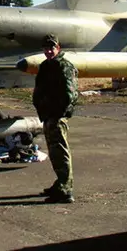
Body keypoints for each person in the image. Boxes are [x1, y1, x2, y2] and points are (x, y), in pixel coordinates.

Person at [32, 34, 78, 204]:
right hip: (48, 115)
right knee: (54, 152)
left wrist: (59, 113)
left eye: (52, 48)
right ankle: (60, 183)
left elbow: (70, 94)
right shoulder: (46, 66)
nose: (49, 51)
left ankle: (66, 189)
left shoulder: (64, 66)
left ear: (58, 48)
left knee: (61, 151)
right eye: (46, 48)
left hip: (56, 116)